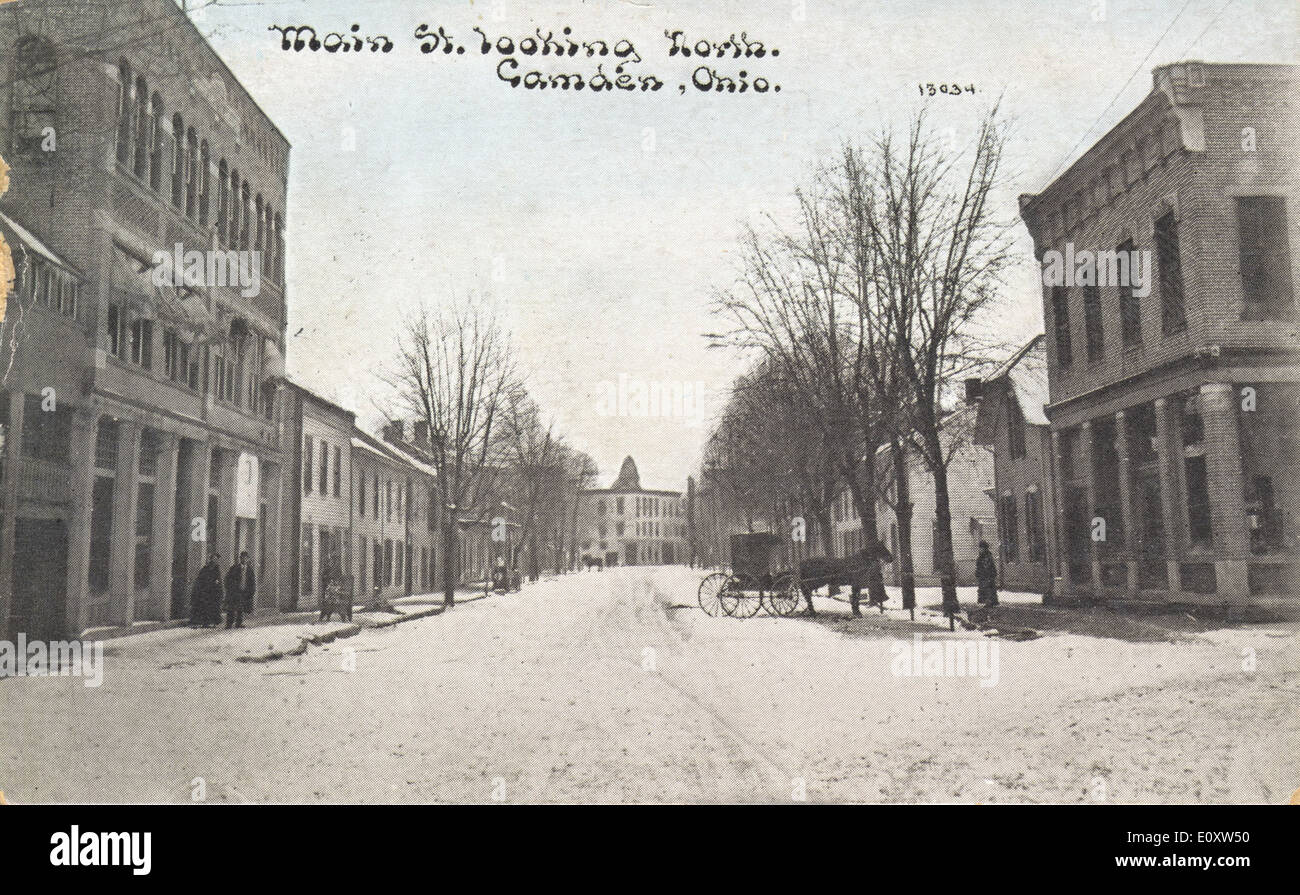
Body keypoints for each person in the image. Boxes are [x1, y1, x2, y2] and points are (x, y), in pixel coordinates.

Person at [191, 551, 224, 628]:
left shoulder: (217, 570)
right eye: (213, 559)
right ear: (210, 560)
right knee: (204, 607)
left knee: (213, 607)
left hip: (213, 592)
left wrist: (219, 589)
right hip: (205, 591)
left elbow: (219, 581)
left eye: (216, 559)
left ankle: (212, 622)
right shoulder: (205, 569)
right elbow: (200, 579)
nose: (214, 561)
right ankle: (205, 622)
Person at [223, 551, 256, 629]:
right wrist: (230, 589)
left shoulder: (250, 570)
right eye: (242, 557)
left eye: (246, 558)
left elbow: (252, 582)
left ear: (248, 559)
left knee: (241, 608)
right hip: (235, 592)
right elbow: (227, 579)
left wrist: (251, 591)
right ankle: (229, 623)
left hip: (244, 591)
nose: (244, 559)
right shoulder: (234, 568)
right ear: (240, 558)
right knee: (231, 608)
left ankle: (239, 623)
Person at [976, 541, 999, 607]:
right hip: (983, 576)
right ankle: (986, 602)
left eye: (982, 548)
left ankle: (990, 602)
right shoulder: (981, 556)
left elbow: (987, 566)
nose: (980, 549)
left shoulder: (988, 556)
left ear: (985, 548)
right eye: (980, 548)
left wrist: (985, 573)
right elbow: (978, 566)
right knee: (984, 589)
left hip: (988, 576)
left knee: (988, 589)